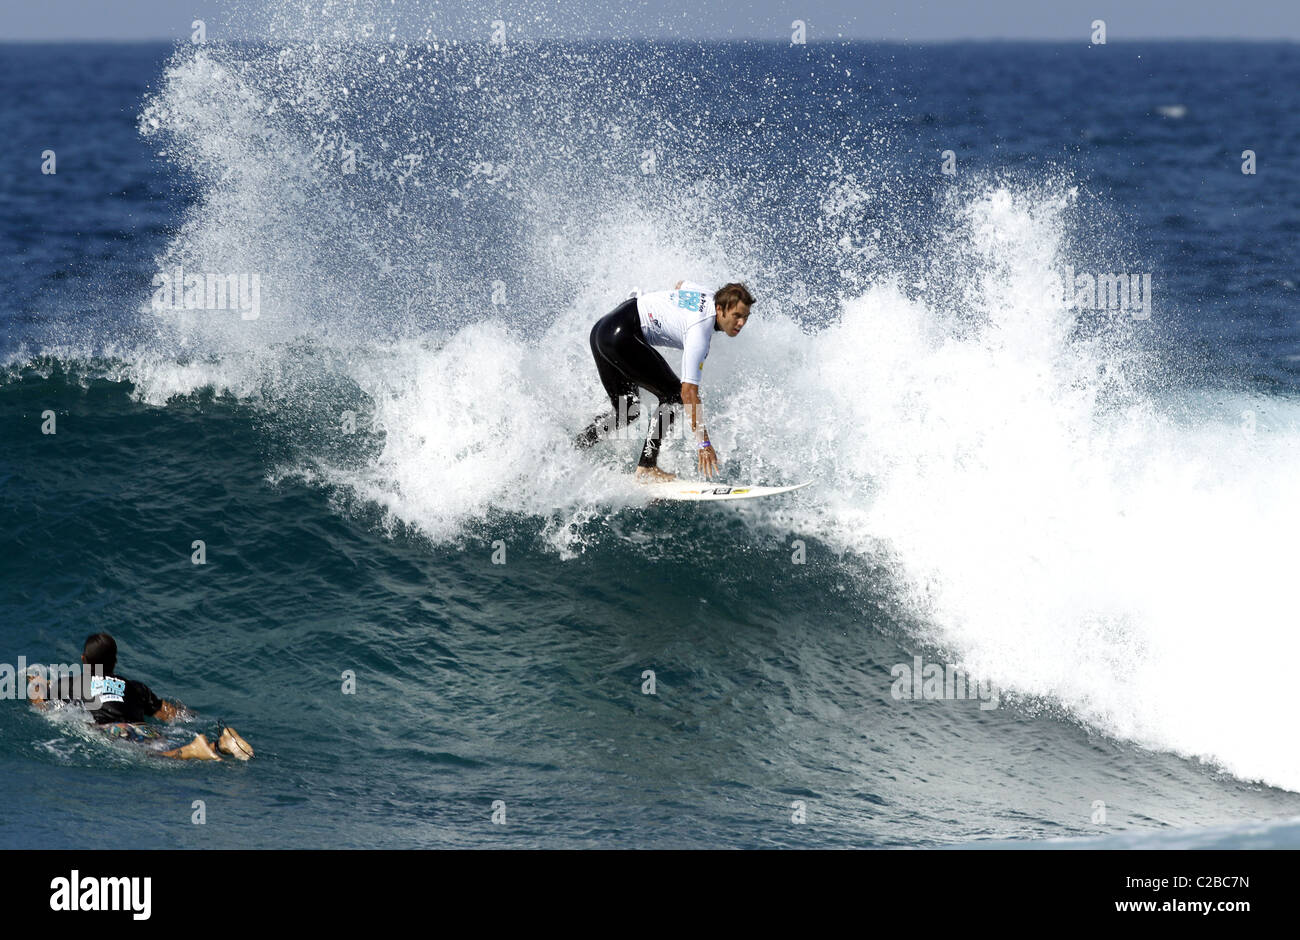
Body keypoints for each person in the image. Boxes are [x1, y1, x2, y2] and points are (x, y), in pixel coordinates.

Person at [576, 280, 754, 481]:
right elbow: (688, 394)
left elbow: (682, 285)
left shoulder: (710, 295)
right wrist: (704, 444)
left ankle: (577, 445)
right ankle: (647, 468)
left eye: (745, 317)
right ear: (720, 309)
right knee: (674, 396)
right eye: (736, 316)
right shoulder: (699, 333)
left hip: (602, 330)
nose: (741, 323)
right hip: (622, 336)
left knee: (627, 412)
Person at [27, 632, 252, 761]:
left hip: (115, 731)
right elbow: (171, 714)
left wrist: (36, 684)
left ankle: (195, 749)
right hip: (146, 730)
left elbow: (41, 704)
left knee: (154, 760)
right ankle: (221, 744)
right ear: (115, 661)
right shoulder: (134, 687)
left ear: (84, 660)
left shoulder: (72, 683)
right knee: (163, 751)